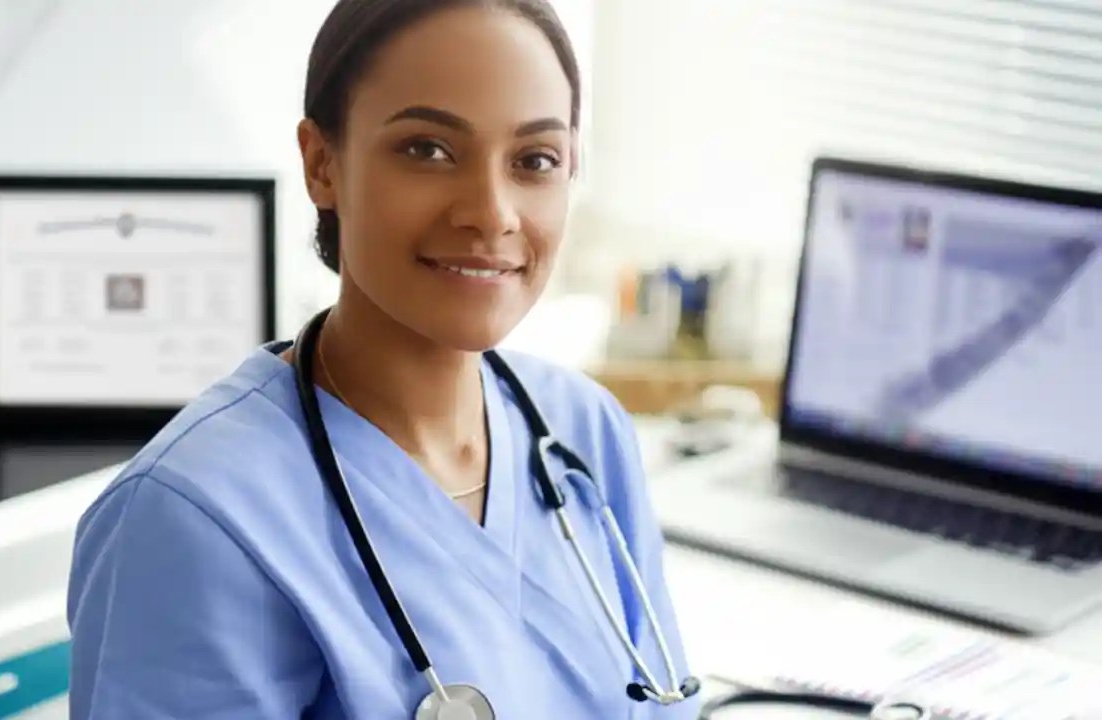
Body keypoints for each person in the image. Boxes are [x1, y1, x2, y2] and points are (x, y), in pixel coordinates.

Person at [65, 0, 699, 717]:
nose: (491, 212)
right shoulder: (196, 519)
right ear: (322, 164)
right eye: (428, 149)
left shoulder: (584, 430)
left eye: (534, 161)